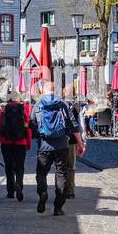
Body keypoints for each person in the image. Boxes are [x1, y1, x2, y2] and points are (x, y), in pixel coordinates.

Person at [33, 81, 84, 216]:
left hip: (44, 145)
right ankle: (58, 207)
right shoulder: (63, 105)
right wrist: (80, 143)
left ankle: (43, 192)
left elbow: (32, 124)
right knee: (61, 173)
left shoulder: (38, 105)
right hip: (62, 145)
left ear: (43, 91)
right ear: (55, 91)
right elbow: (74, 126)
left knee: (41, 173)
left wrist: (36, 137)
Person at [0, 94, 34, 201]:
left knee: (9, 167)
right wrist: (28, 143)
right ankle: (19, 185)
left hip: (6, 143)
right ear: (18, 100)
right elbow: (28, 128)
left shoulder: (3, 112)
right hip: (21, 143)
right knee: (20, 167)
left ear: (8, 100)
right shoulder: (24, 111)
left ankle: (10, 192)